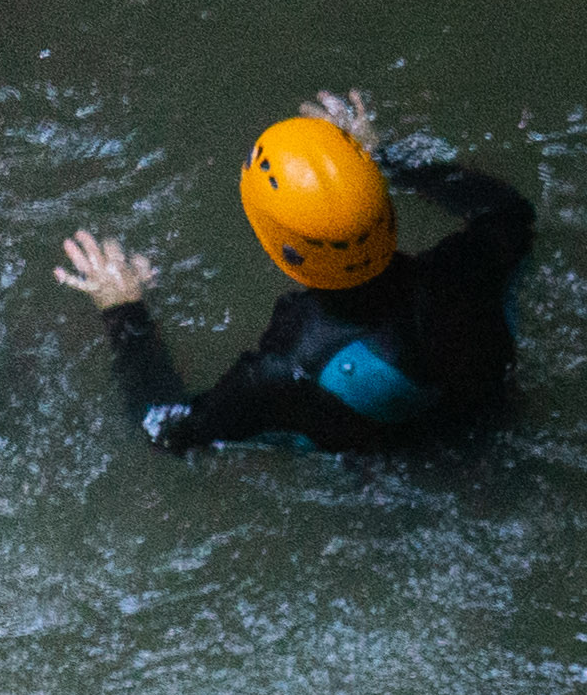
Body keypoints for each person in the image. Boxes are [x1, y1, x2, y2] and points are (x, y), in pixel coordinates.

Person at [53, 89, 531, 454]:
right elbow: (509, 210)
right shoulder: (467, 267)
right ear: (385, 209)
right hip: (498, 426)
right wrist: (388, 158)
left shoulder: (284, 371)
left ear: (277, 247)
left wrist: (123, 311)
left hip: (391, 483)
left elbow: (164, 427)